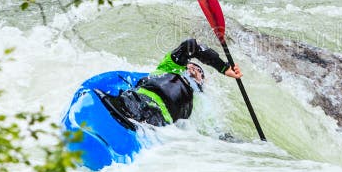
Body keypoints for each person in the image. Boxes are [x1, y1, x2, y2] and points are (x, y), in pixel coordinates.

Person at [97, 38, 242, 128]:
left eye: (199, 73)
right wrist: (224, 68)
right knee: (130, 104)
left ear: (200, 83)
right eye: (192, 66)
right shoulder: (169, 67)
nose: (194, 70)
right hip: (138, 100)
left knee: (147, 118)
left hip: (159, 121)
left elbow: (213, 130)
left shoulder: (199, 101)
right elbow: (190, 45)